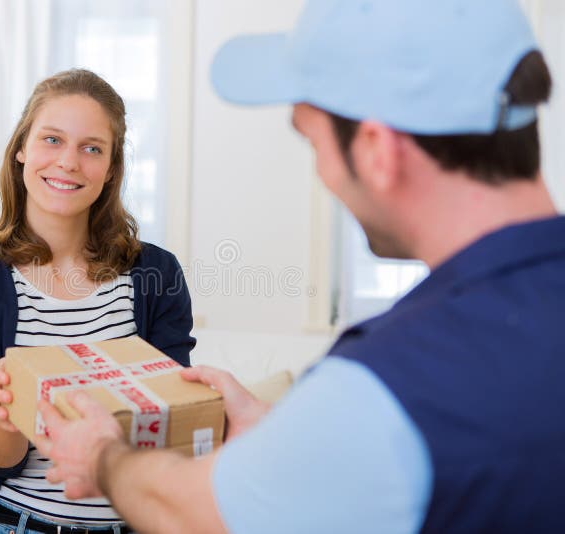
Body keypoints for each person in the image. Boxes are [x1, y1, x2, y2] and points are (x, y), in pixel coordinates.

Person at [31, 1, 565, 533]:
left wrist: (103, 455)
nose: (324, 172)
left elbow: (194, 513)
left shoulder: (388, 385)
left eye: (313, 140)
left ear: (378, 150)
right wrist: (284, 437)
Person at [0, 68, 195, 534]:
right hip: (15, 524)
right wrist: (2, 411)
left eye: (92, 148)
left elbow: (170, 428)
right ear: (21, 148)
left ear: (110, 170)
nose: (68, 162)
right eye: (51, 139)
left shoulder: (156, 274)